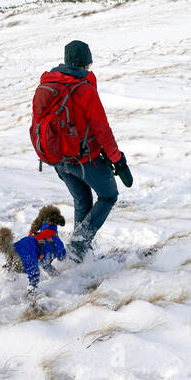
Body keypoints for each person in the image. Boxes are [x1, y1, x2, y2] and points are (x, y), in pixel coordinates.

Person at [33, 41, 132, 262]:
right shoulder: (84, 89)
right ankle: (79, 246)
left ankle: (78, 253)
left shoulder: (47, 85)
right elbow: (102, 130)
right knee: (108, 196)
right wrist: (118, 160)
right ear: (86, 62)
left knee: (82, 200)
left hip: (57, 160)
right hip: (83, 159)